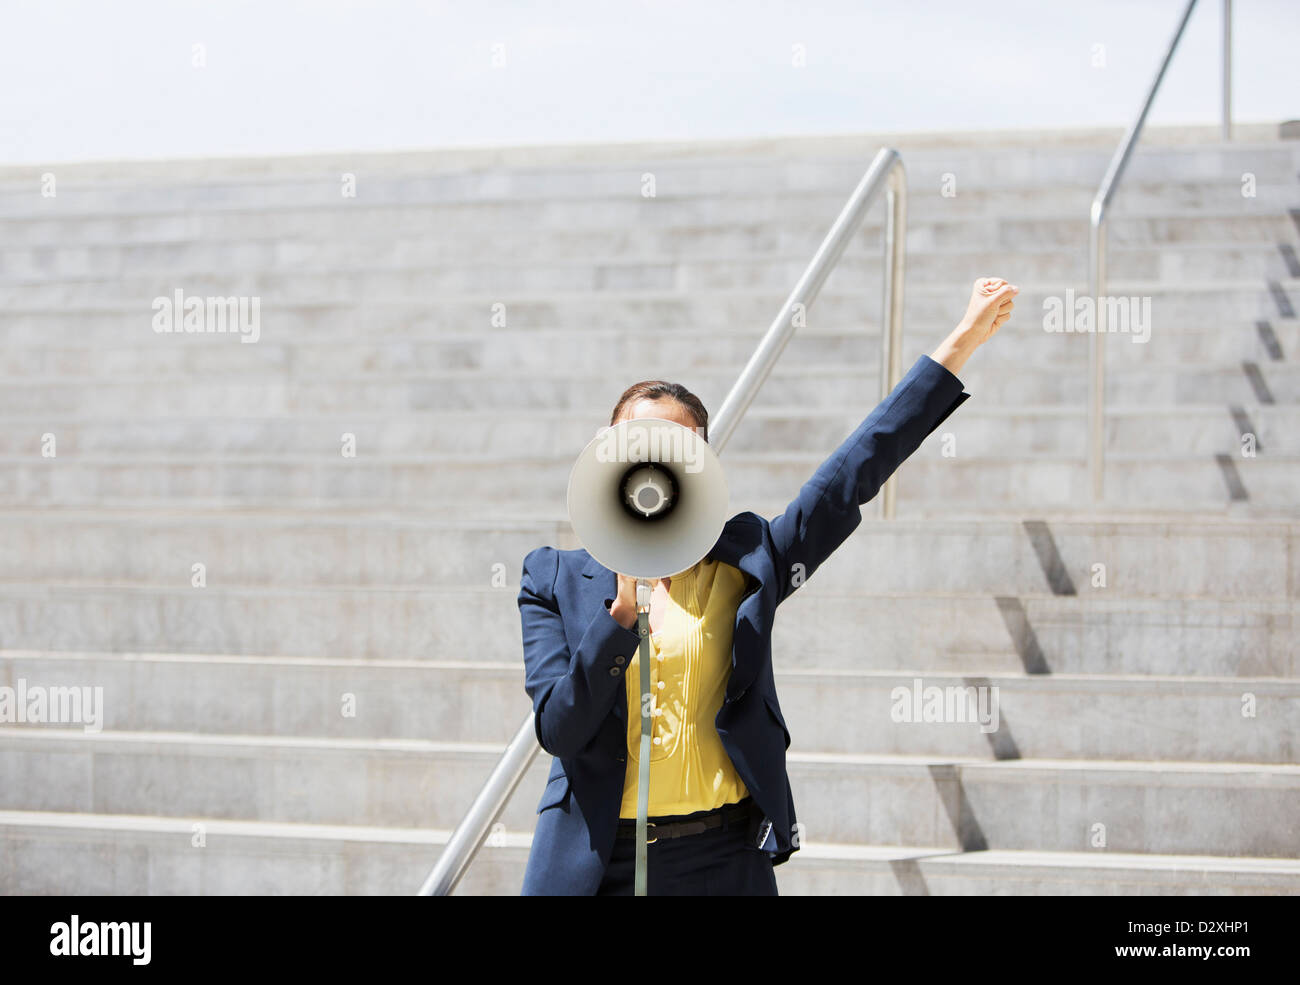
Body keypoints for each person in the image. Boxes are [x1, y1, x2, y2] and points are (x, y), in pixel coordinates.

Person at [518, 277, 1018, 895]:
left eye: (676, 449)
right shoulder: (553, 579)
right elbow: (560, 730)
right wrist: (621, 614)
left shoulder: (750, 559)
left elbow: (850, 475)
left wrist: (961, 342)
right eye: (638, 447)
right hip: (597, 864)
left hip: (723, 860)